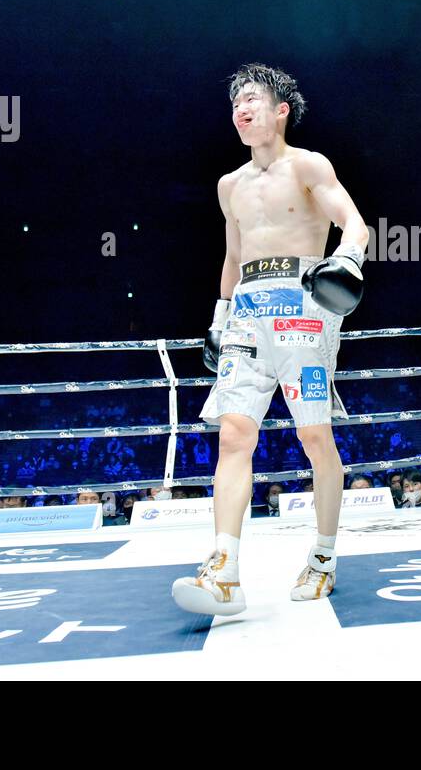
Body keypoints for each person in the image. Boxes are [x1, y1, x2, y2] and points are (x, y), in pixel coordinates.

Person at [173, 64, 369, 618]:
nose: (241, 106)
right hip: (248, 314)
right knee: (234, 436)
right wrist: (219, 317)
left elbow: (355, 225)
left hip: (304, 309)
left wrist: (346, 262)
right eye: (235, 100)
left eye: (252, 97)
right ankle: (223, 569)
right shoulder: (228, 185)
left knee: (314, 438)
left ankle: (324, 556)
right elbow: (233, 259)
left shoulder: (308, 165)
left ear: (281, 109)